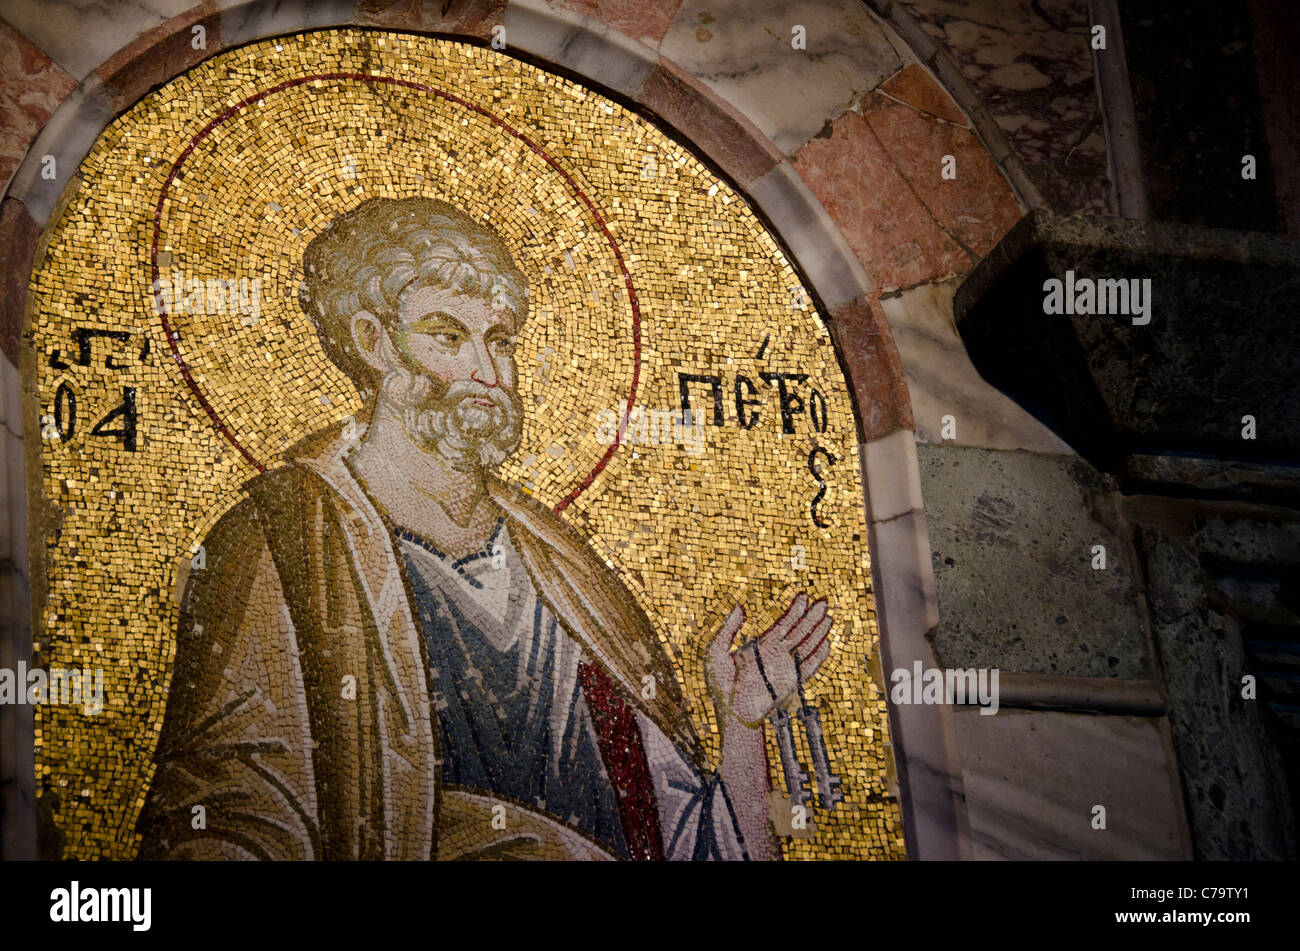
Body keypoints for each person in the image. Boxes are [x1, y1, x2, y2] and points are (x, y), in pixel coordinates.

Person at [136, 197, 832, 860]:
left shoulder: (562, 569)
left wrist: (741, 724)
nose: (489, 371)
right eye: (447, 335)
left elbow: (684, 841)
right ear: (373, 341)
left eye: (499, 339)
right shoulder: (284, 544)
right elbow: (229, 814)